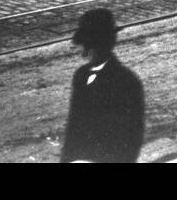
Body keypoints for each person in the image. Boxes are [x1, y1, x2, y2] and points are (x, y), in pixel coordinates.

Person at [60, 9, 145, 163]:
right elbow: (74, 127)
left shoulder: (127, 82)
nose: (93, 51)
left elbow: (132, 139)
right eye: (90, 45)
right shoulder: (81, 76)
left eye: (96, 44)